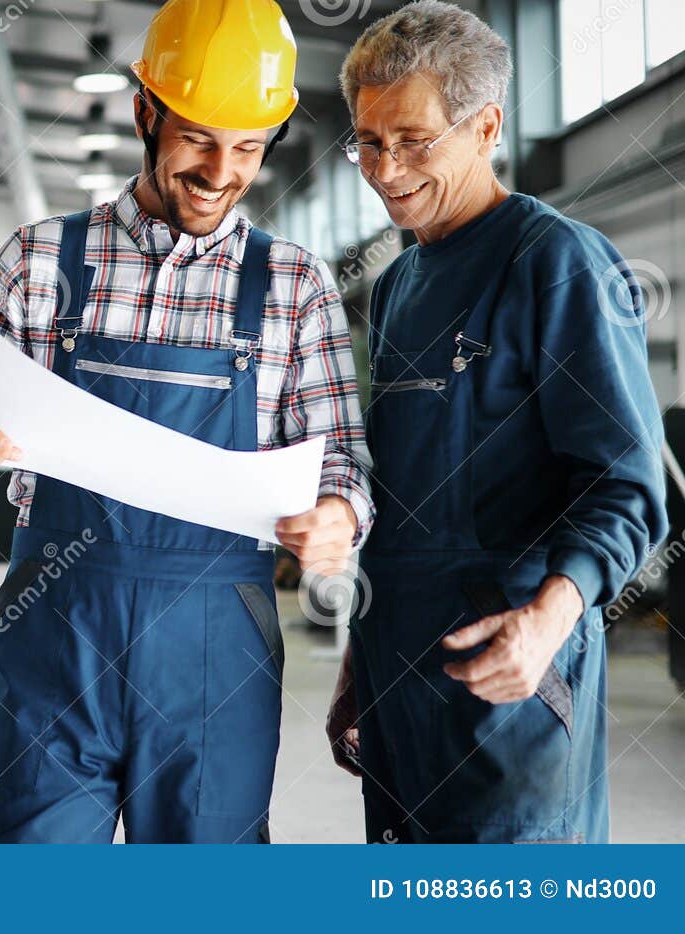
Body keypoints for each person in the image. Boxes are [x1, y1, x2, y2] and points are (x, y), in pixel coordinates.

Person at [0, 0, 374, 843]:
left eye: (247, 148)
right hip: (54, 634)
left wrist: (339, 517)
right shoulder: (36, 260)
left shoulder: (295, 286)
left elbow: (341, 460)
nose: (220, 171)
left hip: (215, 657)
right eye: (199, 138)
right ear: (145, 111)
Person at [326, 1, 666, 844]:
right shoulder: (400, 284)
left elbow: (628, 483)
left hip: (508, 680)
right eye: (368, 141)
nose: (385, 167)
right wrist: (357, 661)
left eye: (413, 141)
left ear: (487, 128)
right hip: (399, 682)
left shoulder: (556, 263)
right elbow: (396, 500)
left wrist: (551, 616)